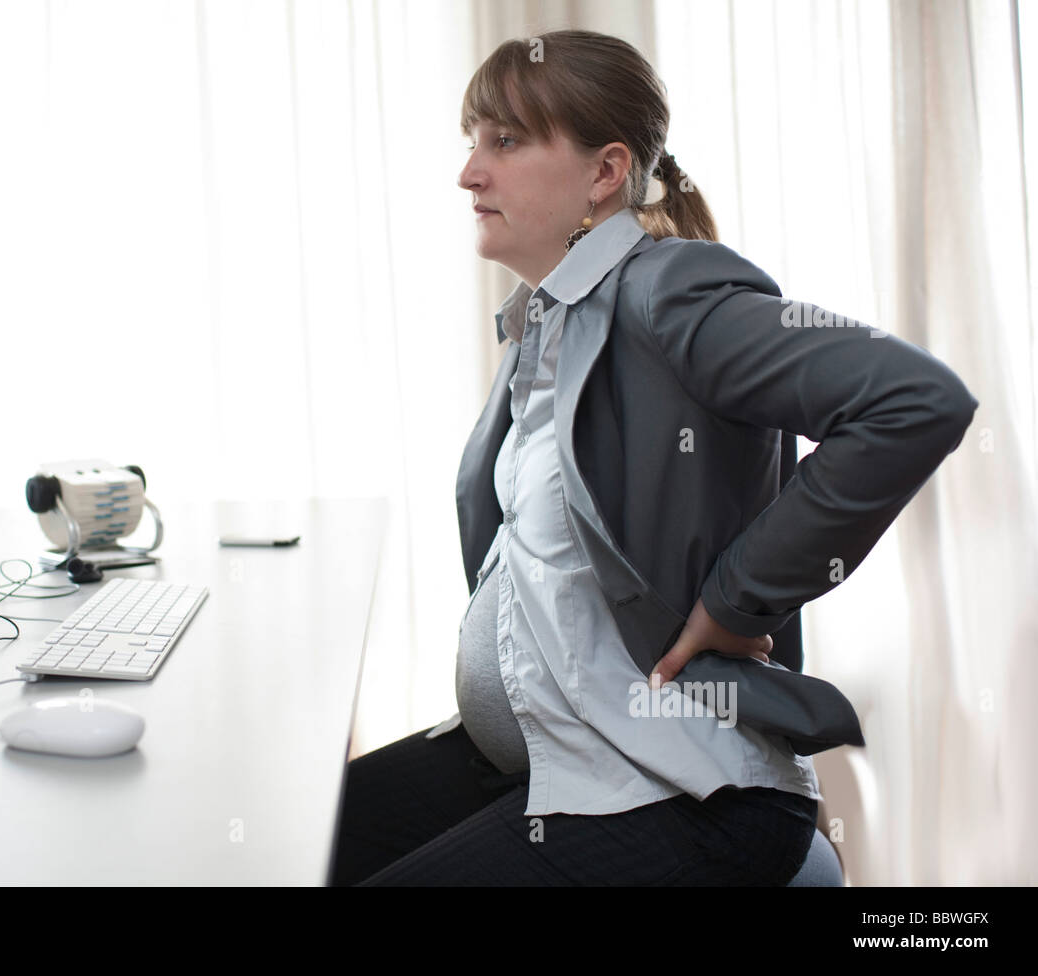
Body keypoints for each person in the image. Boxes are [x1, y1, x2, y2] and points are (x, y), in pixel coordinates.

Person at [331, 30, 977, 886]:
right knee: (296, 840)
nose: (469, 173)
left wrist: (739, 599)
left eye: (505, 141)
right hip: (547, 756)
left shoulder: (669, 290)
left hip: (677, 791)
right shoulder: (545, 322)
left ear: (605, 172)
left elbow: (914, 399)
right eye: (472, 142)